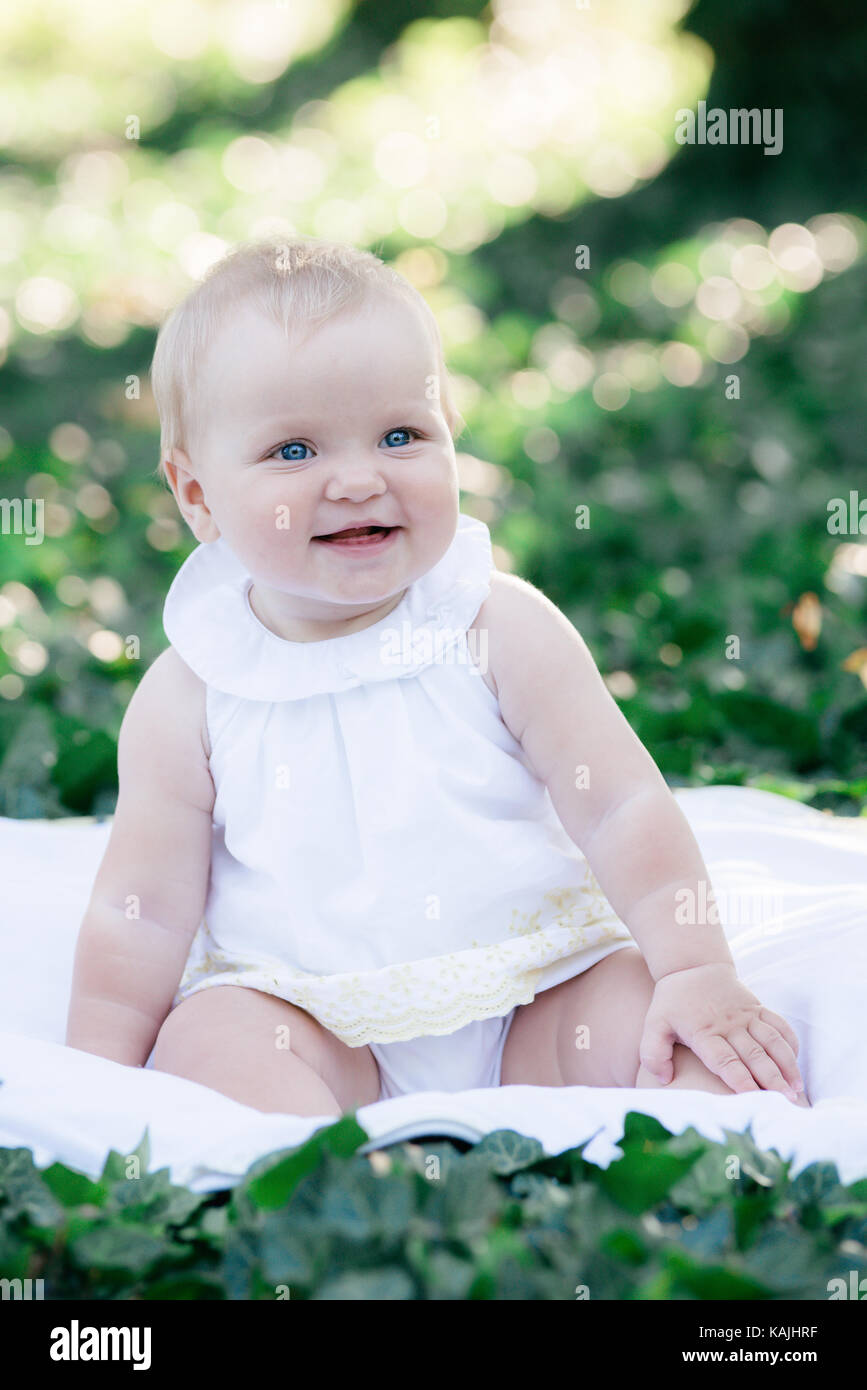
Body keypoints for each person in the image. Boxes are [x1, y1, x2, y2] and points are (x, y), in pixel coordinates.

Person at [65, 237, 809, 1116]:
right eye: (294, 451)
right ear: (197, 496)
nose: (356, 479)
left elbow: (620, 805)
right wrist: (92, 1080)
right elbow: (140, 908)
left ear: (450, 435)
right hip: (305, 1014)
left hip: (536, 989)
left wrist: (694, 967)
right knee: (210, 1049)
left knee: (667, 1035)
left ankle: (690, 1131)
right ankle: (342, 1168)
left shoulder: (499, 626)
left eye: (400, 435)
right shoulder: (192, 693)